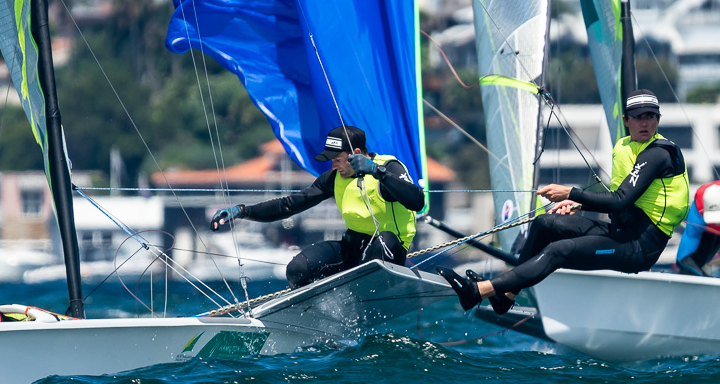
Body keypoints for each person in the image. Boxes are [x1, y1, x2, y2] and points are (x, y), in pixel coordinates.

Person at [440, 89, 689, 315]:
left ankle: (479, 291)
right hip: (621, 232)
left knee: (557, 251)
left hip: (640, 247)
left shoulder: (659, 153)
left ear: (658, 119)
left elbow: (619, 201)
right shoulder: (625, 146)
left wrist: (571, 194)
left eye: (650, 116)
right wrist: (580, 205)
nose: (645, 122)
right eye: (638, 117)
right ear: (626, 120)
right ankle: (506, 296)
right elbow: (628, 198)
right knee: (545, 223)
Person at [210, 125, 425, 289]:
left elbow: (417, 202)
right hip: (352, 250)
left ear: (356, 153)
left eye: (338, 159)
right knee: (297, 269)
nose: (333, 165)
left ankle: (364, 294)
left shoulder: (388, 167)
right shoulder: (334, 178)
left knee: (383, 240)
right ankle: (314, 313)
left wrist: (377, 172)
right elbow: (290, 205)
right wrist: (243, 211)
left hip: (389, 252)